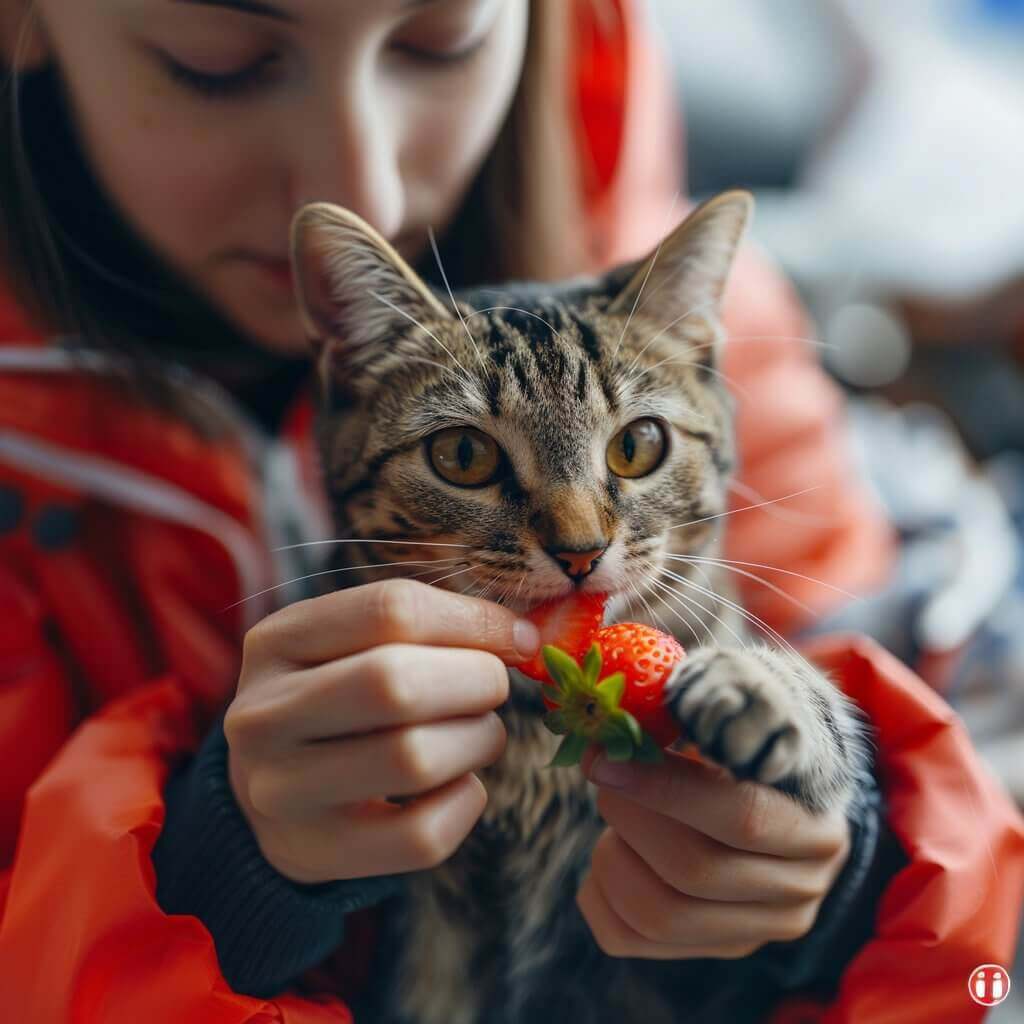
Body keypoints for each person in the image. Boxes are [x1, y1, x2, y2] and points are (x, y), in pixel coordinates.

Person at [0, 2, 1021, 1022]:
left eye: (435, 42)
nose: (579, 539)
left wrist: (848, 879)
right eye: (217, 64)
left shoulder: (724, 329)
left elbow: (973, 889)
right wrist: (224, 879)